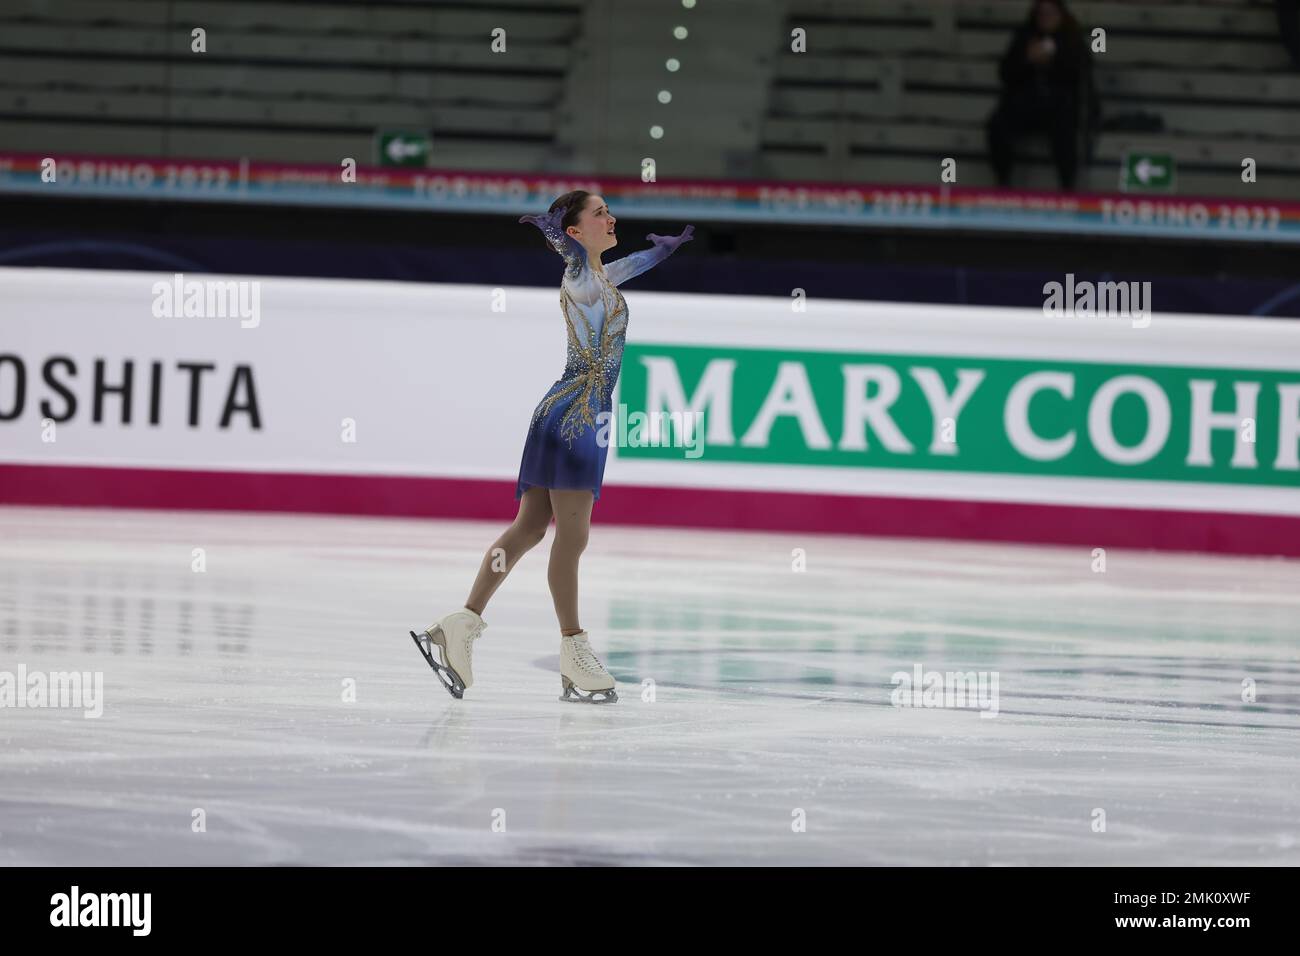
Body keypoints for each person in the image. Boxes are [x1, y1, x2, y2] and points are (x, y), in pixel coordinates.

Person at [411, 191, 694, 704]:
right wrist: (554, 234)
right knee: (572, 535)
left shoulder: (600, 276)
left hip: (560, 412)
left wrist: (663, 252)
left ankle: (461, 622)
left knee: (529, 528)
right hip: (578, 419)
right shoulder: (580, 278)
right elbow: (576, 260)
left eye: (610, 210)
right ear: (574, 233)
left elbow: (625, 265)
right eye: (600, 213)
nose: (612, 218)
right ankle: (574, 649)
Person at [986, 0, 1090, 190]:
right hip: (1025, 106)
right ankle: (1003, 181)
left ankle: (1068, 188)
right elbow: (1005, 73)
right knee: (997, 125)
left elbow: (1079, 75)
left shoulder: (1072, 39)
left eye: (1050, 14)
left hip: (1059, 108)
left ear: (1061, 15)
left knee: (1067, 130)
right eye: (1042, 14)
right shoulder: (1024, 37)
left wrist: (1053, 61)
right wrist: (1027, 60)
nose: (1046, 18)